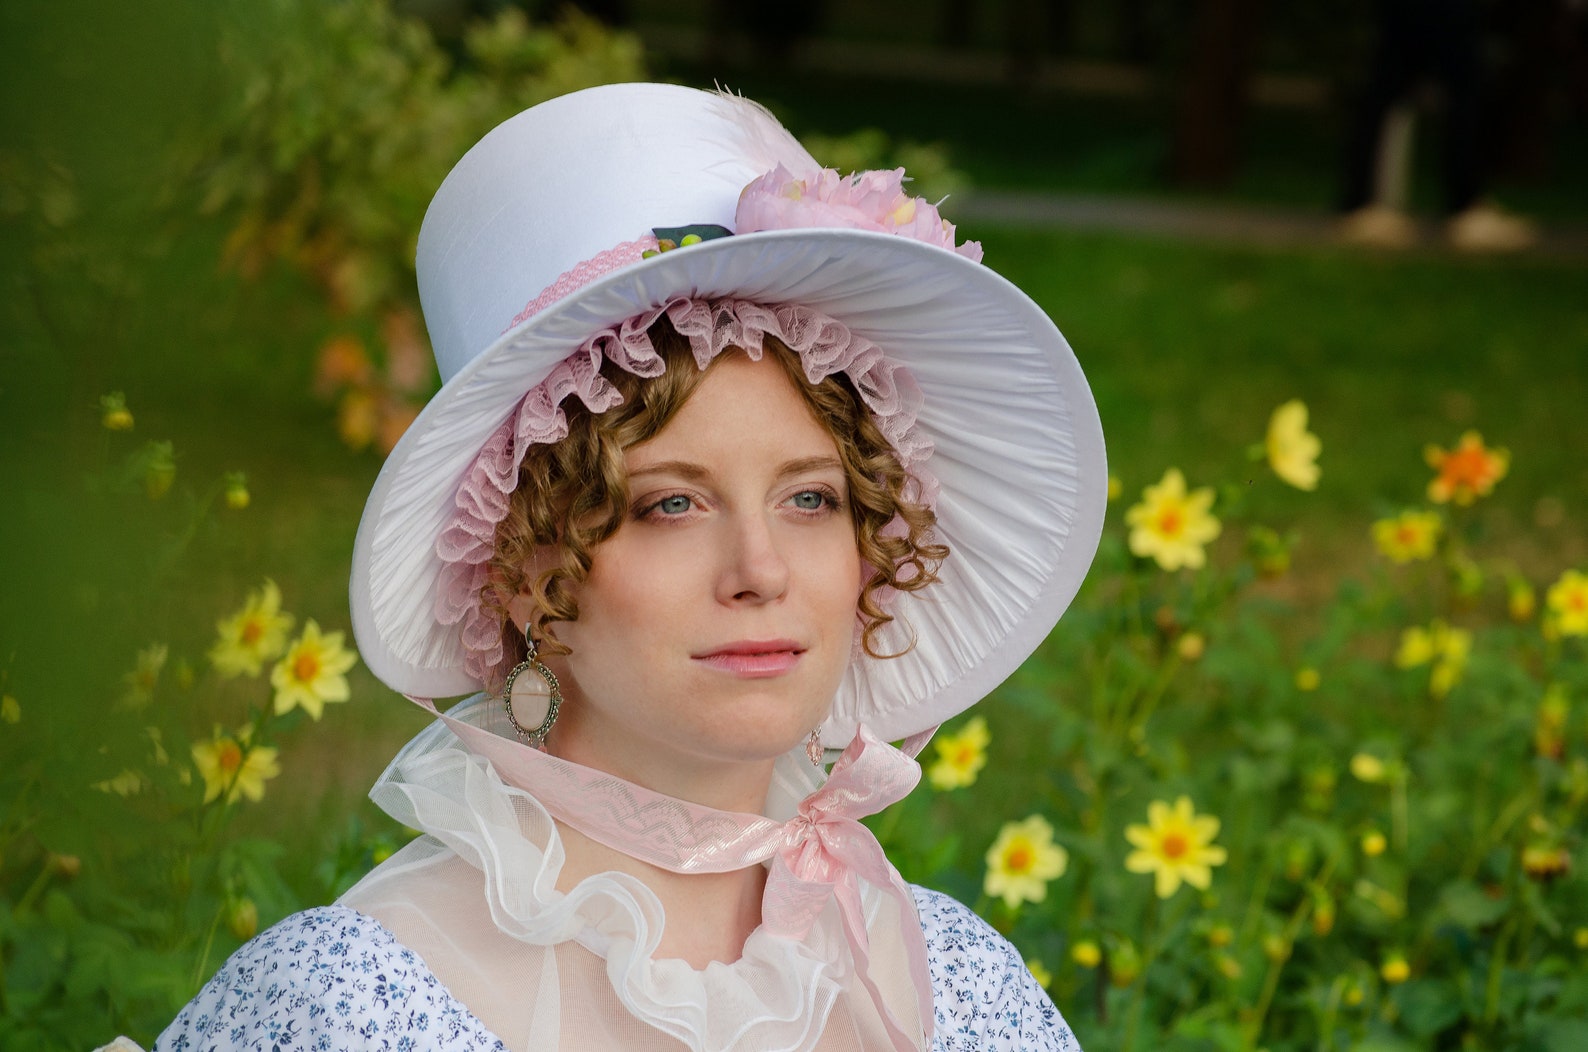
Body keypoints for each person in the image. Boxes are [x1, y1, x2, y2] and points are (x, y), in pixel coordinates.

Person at [154, 82, 1106, 1050]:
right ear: (526, 568)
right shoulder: (357, 1006)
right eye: (671, 504)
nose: (759, 569)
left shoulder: (952, 987)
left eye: (810, 497)